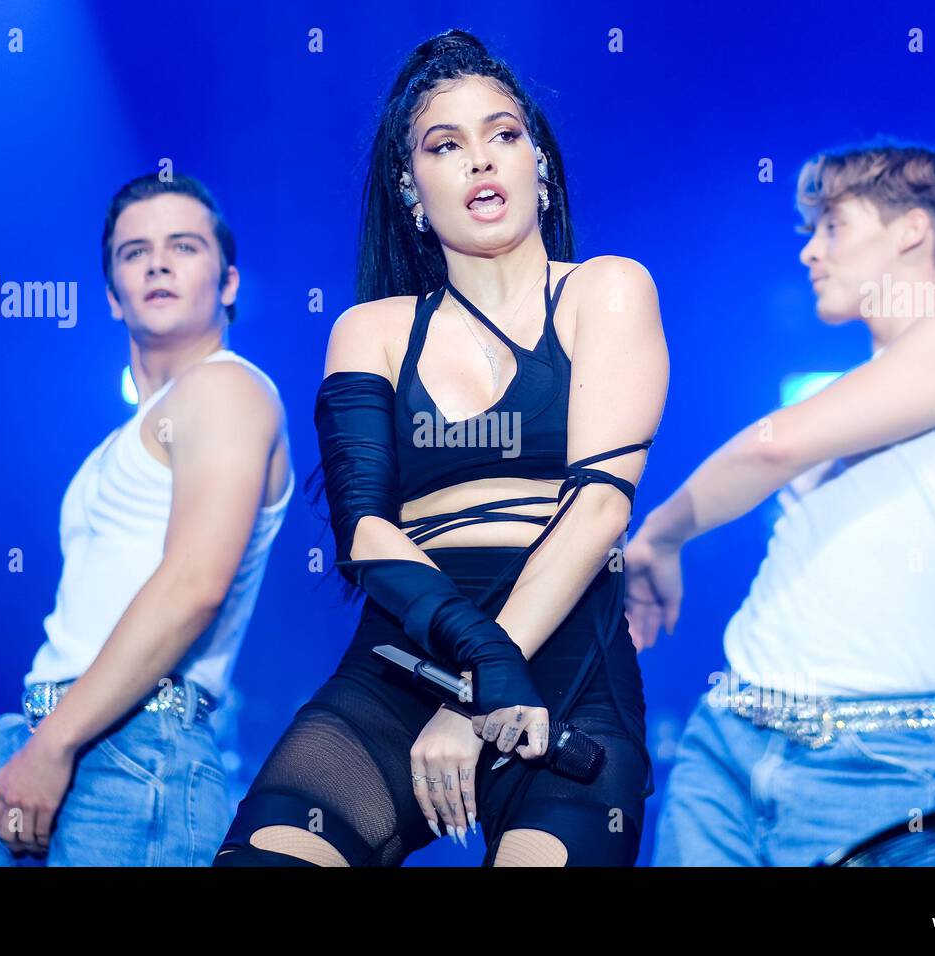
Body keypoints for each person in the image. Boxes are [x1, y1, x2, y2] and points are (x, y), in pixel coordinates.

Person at [213, 30, 668, 867]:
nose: (482, 161)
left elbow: (600, 505)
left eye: (503, 135)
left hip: (565, 668)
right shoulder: (369, 331)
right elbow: (365, 531)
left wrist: (482, 695)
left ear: (539, 162)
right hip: (403, 661)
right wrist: (481, 665)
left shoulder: (606, 289)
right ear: (411, 187)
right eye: (445, 145)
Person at [0, 173, 294, 866]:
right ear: (112, 296)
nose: (157, 262)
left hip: (137, 748)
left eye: (183, 246)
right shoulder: (123, 438)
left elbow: (195, 583)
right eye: (134, 252)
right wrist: (45, 743)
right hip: (37, 738)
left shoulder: (227, 387)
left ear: (229, 282)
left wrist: (57, 742)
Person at [625, 142, 935, 866]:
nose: (811, 252)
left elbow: (771, 448)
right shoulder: (851, 389)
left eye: (833, 226)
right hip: (727, 739)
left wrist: (657, 538)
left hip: (873, 766)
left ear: (910, 229)